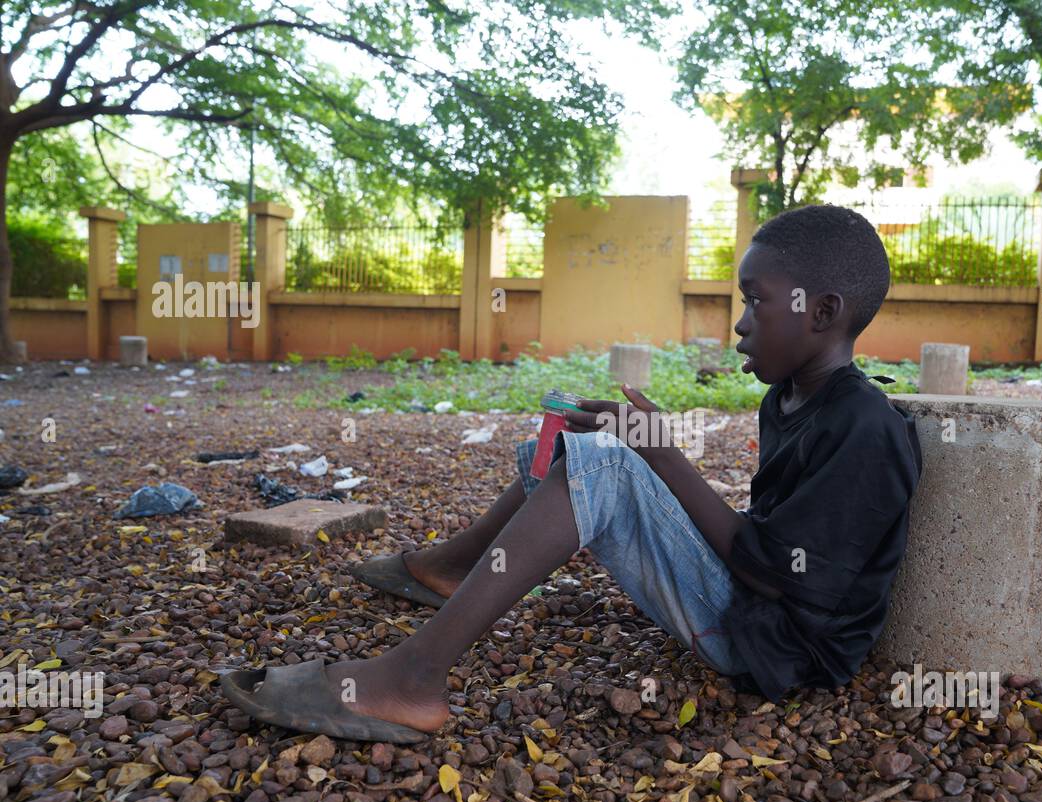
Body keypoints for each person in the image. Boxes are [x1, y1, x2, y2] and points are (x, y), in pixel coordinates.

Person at [221, 203, 923, 741]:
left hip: (777, 649)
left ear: (822, 311)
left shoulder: (865, 427)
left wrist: (661, 452)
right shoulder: (791, 397)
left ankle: (412, 678)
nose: (739, 323)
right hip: (753, 603)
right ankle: (448, 570)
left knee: (612, 467)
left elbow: (777, 573)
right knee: (587, 440)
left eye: (755, 300)